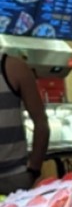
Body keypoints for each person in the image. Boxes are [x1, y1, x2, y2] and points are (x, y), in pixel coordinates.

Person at [0, 53, 48, 194]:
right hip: (16, 177)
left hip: (13, 177)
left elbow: (41, 122)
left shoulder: (13, 67)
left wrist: (33, 170)